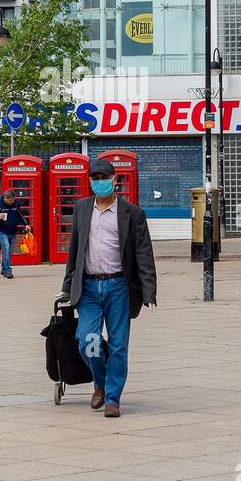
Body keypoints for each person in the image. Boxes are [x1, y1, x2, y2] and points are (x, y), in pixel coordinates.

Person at [60, 158, 157, 418]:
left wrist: (149, 291)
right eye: (95, 179)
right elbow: (75, 251)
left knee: (117, 346)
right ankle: (100, 382)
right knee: (86, 340)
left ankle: (112, 398)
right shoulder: (82, 208)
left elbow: (144, 253)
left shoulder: (132, 213)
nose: (99, 182)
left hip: (119, 287)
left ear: (114, 181)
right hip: (89, 287)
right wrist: (68, 285)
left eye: (104, 178)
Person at [0, 189, 29, 279]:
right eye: (11, 200)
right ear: (6, 198)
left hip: (13, 230)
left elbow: (20, 215)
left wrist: (26, 224)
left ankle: (3, 270)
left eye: (13, 200)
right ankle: (8, 271)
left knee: (10, 252)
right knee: (6, 249)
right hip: (1, 231)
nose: (12, 202)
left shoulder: (15, 204)